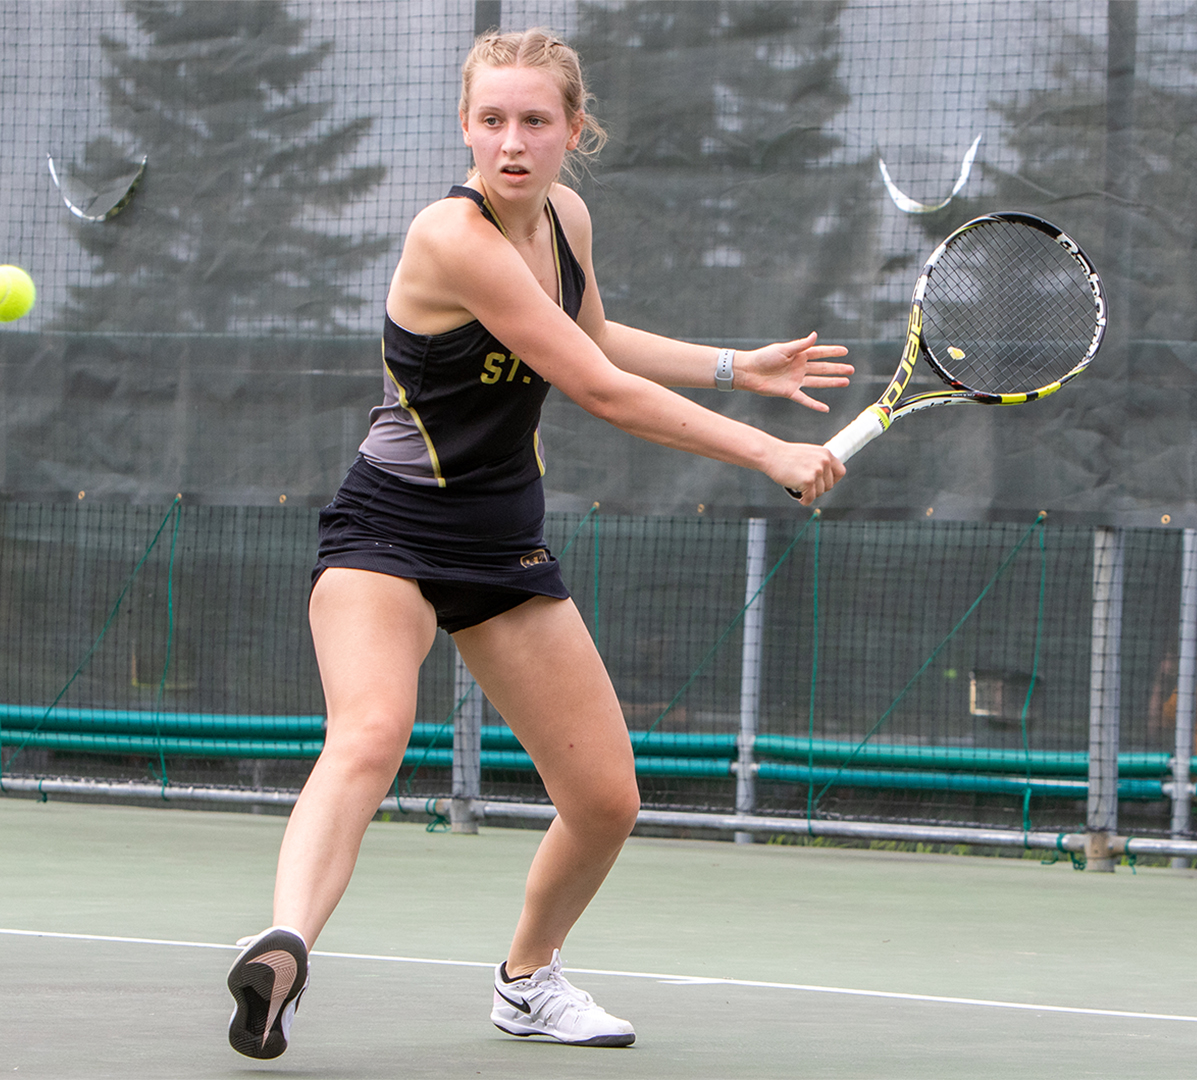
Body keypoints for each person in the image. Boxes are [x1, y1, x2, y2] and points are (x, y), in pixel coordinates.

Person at [225, 28, 854, 1059]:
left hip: (501, 543)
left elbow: (595, 337)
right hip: (387, 528)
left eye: (534, 121)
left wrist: (740, 365)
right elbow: (598, 389)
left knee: (607, 800)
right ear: (465, 128)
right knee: (371, 733)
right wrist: (766, 452)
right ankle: (285, 947)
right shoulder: (450, 237)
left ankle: (528, 980)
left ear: (573, 130)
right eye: (491, 121)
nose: (511, 142)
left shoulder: (564, 218)